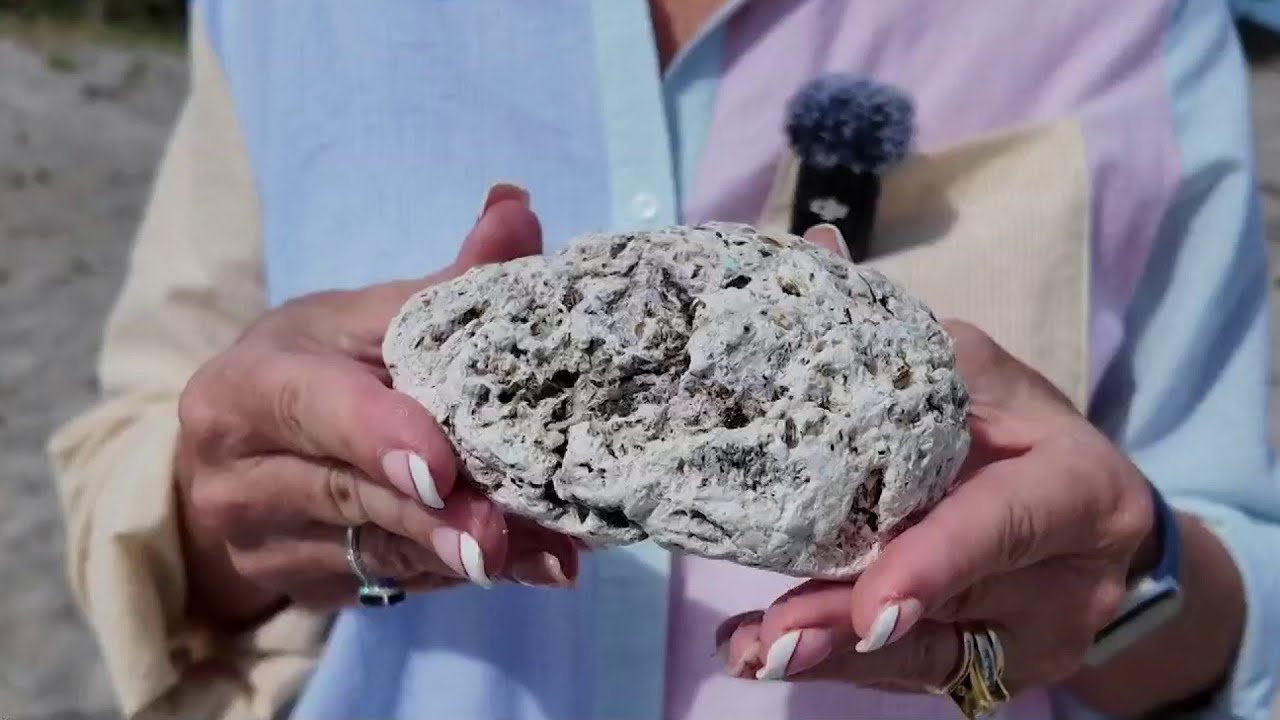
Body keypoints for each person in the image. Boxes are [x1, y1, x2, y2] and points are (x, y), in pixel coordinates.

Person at [48, 1, 1280, 719]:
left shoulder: (1125, 20)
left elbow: (1233, 578)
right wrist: (234, 518)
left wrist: (1133, 585)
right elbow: (137, 448)